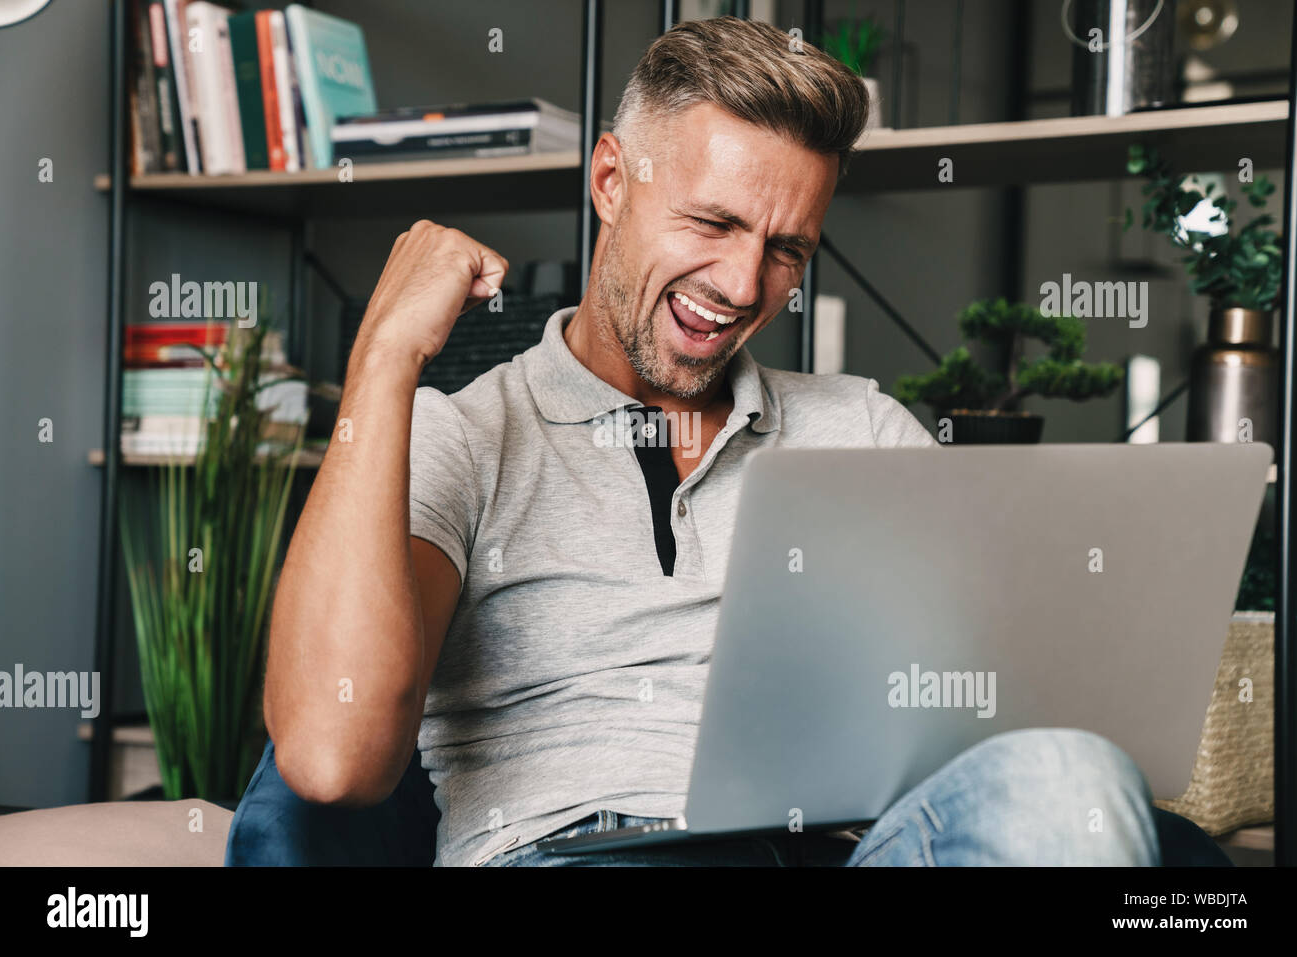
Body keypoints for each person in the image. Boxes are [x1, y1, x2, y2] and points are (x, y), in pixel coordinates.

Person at [262, 16, 1162, 867]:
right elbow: (334, 759)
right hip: (582, 850)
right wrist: (386, 356)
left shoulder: (862, 430)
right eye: (714, 222)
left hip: (829, 848)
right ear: (612, 180)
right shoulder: (457, 437)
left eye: (786, 250)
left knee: (1066, 776)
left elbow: (993, 707)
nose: (741, 284)